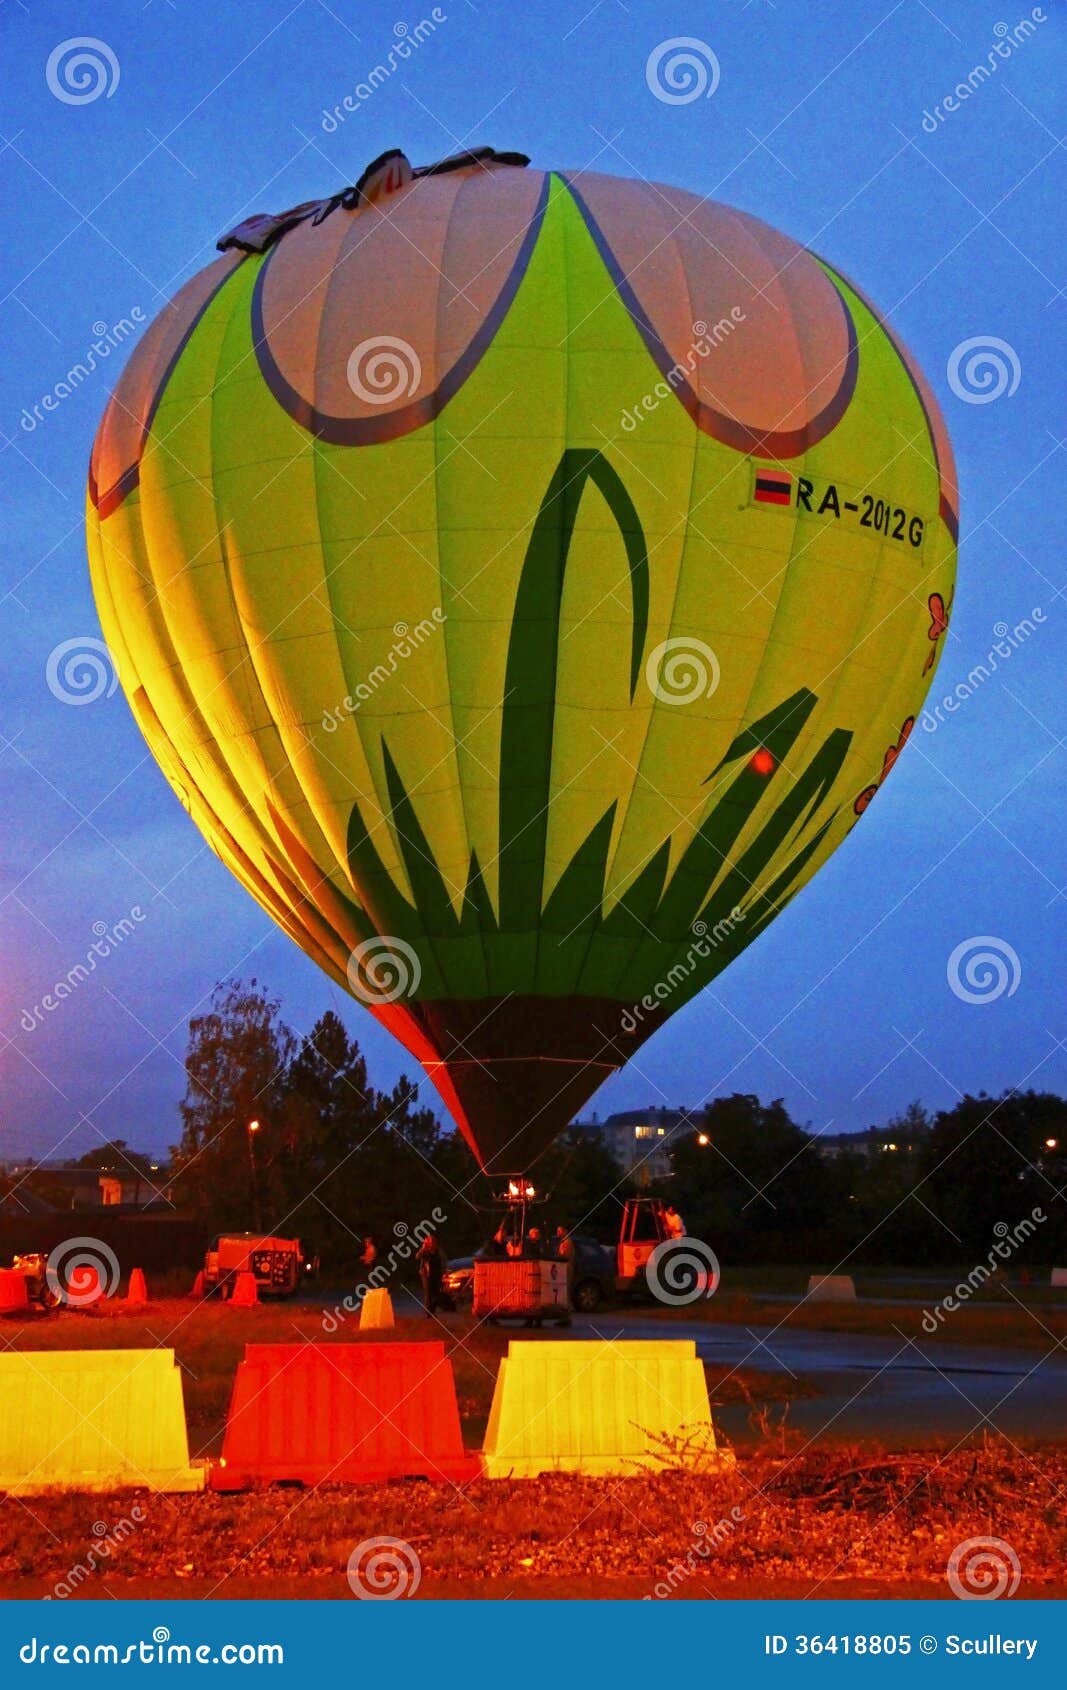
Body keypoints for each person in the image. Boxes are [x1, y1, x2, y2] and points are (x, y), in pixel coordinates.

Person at [416, 1231, 445, 1317]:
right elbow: (417, 1256)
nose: (431, 1243)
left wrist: (444, 1271)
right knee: (428, 1293)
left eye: (432, 1242)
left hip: (436, 1274)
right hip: (426, 1274)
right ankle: (429, 1313)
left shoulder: (438, 1251)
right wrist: (423, 1248)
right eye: (429, 1242)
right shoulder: (425, 1251)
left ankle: (432, 1310)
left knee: (436, 1293)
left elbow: (443, 1260)